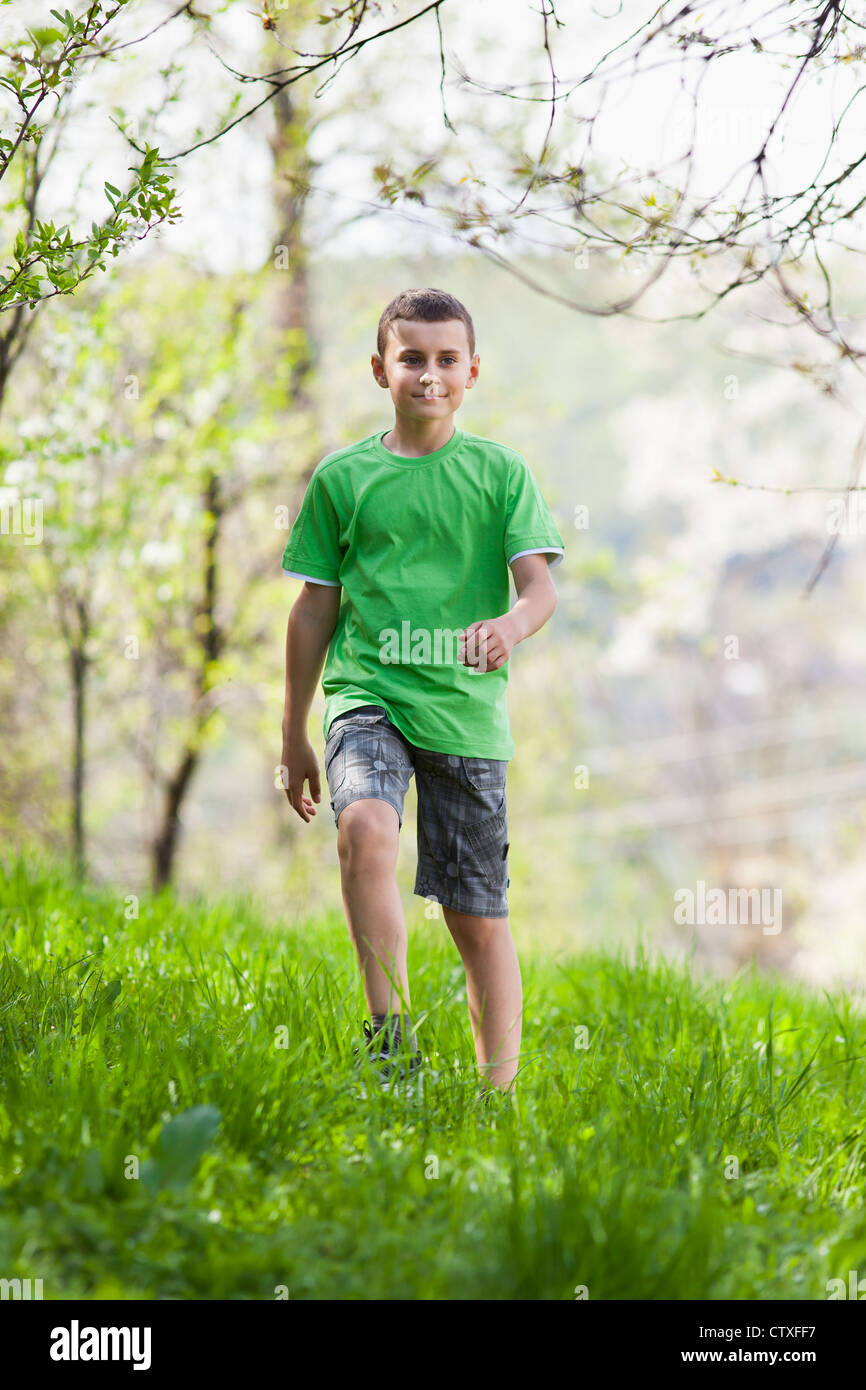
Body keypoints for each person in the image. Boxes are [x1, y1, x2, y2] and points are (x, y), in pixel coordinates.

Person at [279, 287, 564, 1097]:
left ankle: (496, 1098)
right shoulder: (344, 478)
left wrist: (510, 627)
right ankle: (391, 1044)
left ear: (472, 372)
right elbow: (314, 610)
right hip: (366, 694)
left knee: (475, 916)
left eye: (446, 361)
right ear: (380, 369)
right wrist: (294, 731)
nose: (428, 376)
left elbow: (538, 590)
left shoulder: (499, 473)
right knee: (364, 829)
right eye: (412, 359)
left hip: (465, 717)